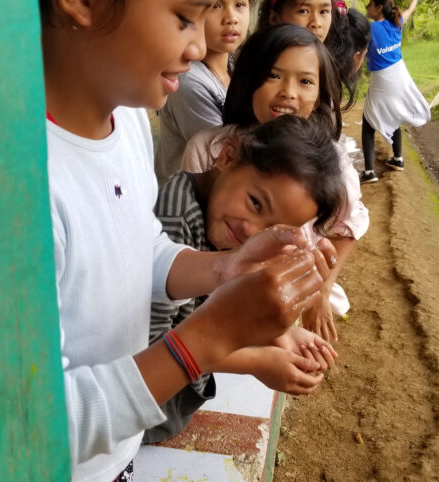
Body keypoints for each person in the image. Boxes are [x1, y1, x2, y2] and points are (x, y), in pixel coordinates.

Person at [39, 1, 336, 480]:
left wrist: (225, 267)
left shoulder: (128, 120)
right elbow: (40, 428)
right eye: (183, 17)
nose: (200, 45)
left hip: (113, 454)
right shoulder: (21, 182)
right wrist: (211, 338)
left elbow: (145, 246)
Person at [146, 115, 344, 442]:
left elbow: (220, 303)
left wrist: (279, 337)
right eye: (255, 202)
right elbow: (152, 349)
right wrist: (259, 362)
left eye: (273, 229)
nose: (252, 231)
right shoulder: (176, 212)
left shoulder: (219, 219)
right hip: (150, 407)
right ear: (228, 155)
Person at [181, 24, 370, 343]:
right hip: (205, 293)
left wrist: (321, 290)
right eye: (273, 75)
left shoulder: (331, 165)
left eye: (305, 81)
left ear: (320, 93)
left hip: (282, 300)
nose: (288, 92)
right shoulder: (208, 148)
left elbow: (349, 226)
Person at [155, 0, 254, 184]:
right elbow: (222, 155)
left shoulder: (236, 63)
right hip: (188, 203)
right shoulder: (187, 81)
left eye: (239, 4)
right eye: (216, 5)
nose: (231, 18)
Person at [359, 0, 429, 183]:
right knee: (394, 111)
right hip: (400, 75)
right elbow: (410, 10)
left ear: (378, 7)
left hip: (383, 79)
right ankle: (397, 158)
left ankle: (369, 172)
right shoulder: (396, 22)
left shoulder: (370, 29)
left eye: (369, 4)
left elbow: (359, 51)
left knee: (368, 123)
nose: (366, 7)